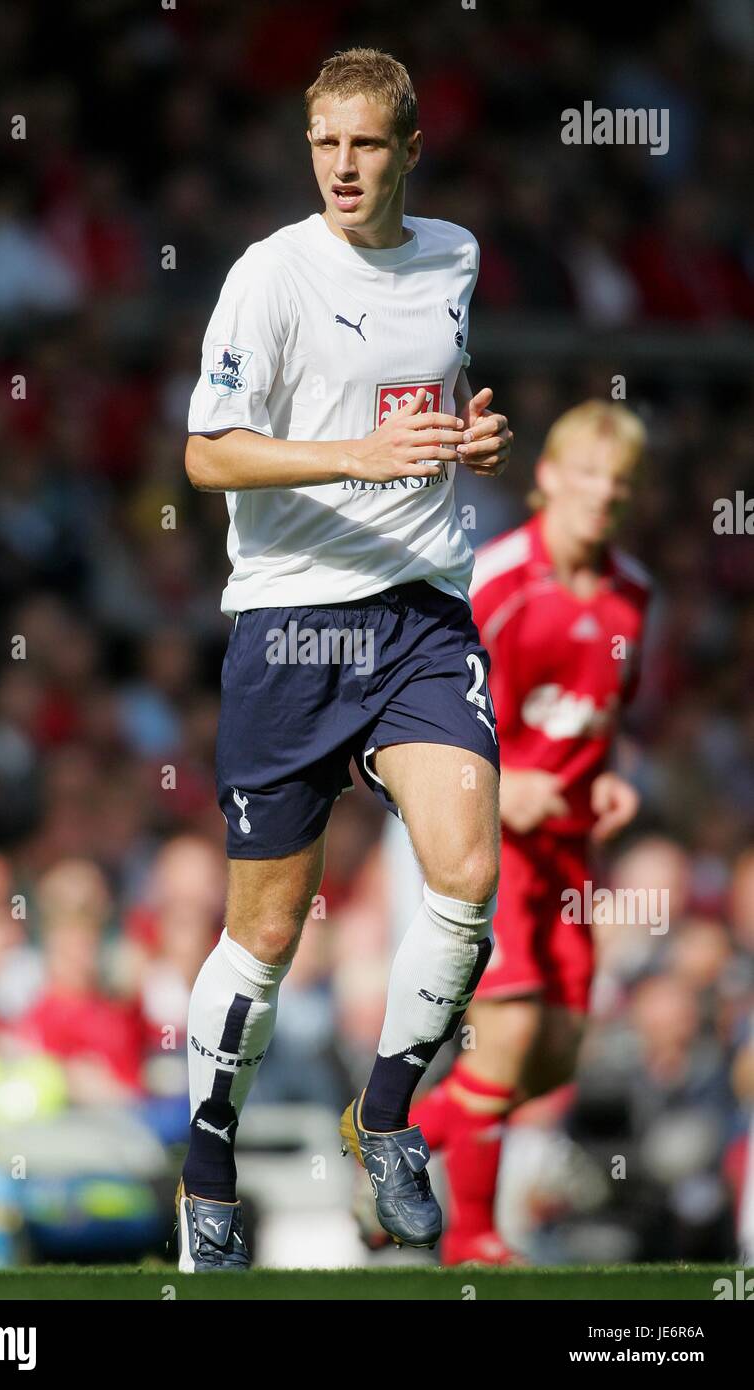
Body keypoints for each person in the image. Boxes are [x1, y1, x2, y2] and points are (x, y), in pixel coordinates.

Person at [175, 46, 512, 1271]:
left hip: (420, 611)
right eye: (324, 144)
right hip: (291, 620)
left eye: (366, 144)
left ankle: (382, 1120)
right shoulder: (268, 274)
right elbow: (207, 454)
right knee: (265, 937)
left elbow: (429, 386)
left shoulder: (455, 255)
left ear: (409, 149)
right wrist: (350, 460)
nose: (343, 168)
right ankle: (206, 1173)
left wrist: (469, 432)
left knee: (467, 875)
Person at [410, 399, 650, 1264]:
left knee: (549, 1057)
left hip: (571, 852)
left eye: (617, 482)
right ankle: (471, 1239)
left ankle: (395, 1138)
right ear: (547, 478)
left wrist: (610, 776)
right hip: (490, 836)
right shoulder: (499, 580)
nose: (601, 494)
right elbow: (437, 704)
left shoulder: (632, 595)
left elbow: (596, 716)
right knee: (504, 1036)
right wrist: (500, 788)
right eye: (585, 474)